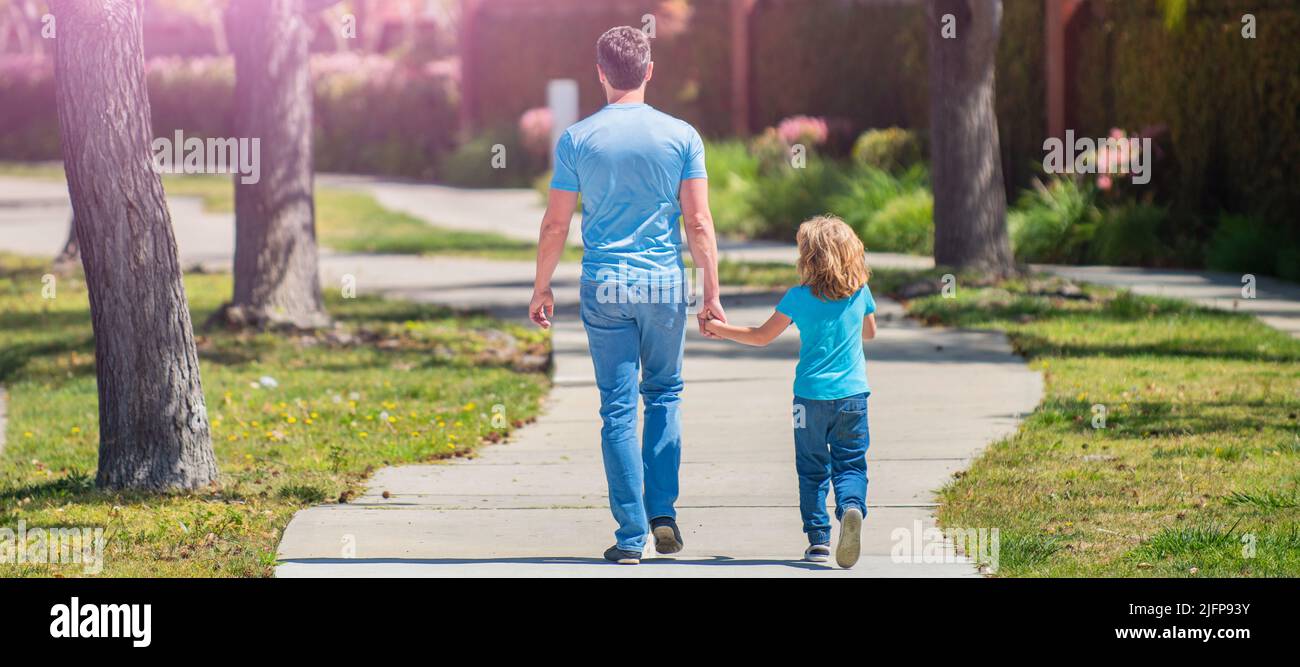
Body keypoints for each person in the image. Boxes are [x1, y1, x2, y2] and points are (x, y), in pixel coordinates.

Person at [529, 26, 726, 565]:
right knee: (664, 394)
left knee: (617, 411)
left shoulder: (576, 139)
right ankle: (664, 513)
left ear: (600, 72)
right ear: (649, 71)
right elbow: (700, 222)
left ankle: (632, 534)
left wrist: (542, 285)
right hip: (664, 284)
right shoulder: (682, 136)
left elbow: (555, 225)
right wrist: (710, 289)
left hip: (605, 284)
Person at [703, 216, 876, 568]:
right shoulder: (861, 292)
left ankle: (819, 542)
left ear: (809, 258)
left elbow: (760, 336)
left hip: (809, 399)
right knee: (850, 465)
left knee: (812, 469)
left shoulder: (798, 298)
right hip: (854, 397)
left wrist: (719, 329)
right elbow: (869, 333)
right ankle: (852, 508)